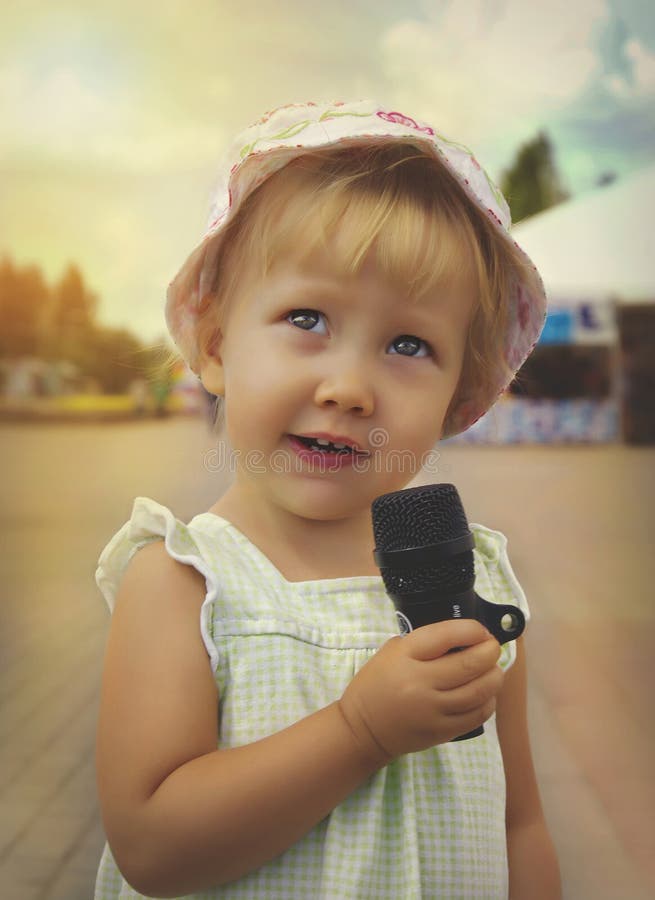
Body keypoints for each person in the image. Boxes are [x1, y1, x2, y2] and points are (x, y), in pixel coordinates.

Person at [93, 100, 561, 899]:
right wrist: (358, 731)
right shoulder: (184, 582)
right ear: (216, 346)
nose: (347, 388)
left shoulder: (472, 587)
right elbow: (152, 847)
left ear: (460, 397)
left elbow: (518, 822)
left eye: (408, 344)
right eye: (306, 318)